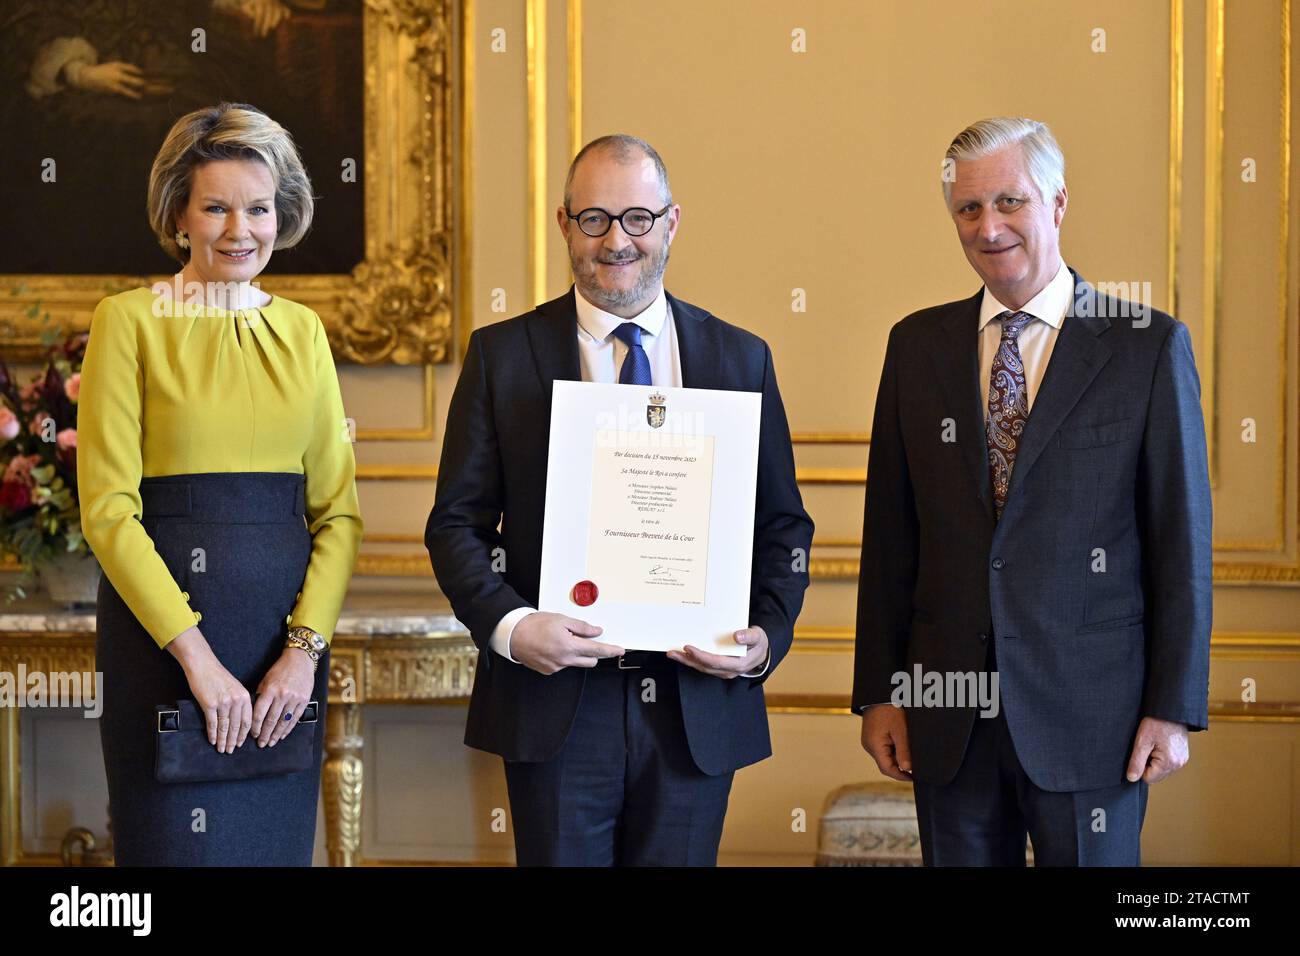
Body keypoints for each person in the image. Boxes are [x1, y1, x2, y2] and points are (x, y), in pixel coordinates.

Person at [426, 134, 813, 866]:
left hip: (696, 701)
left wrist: (766, 635)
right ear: (565, 224)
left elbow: (784, 524)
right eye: (596, 219)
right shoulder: (503, 355)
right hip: (557, 704)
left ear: (672, 223)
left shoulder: (739, 358)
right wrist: (511, 627)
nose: (617, 241)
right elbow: (455, 526)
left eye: (637, 218)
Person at [854, 117, 1212, 866]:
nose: (989, 228)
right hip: (947, 716)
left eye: (1010, 202)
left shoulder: (1147, 345)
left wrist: (1172, 709)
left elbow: (1180, 543)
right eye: (969, 210)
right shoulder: (915, 346)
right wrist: (880, 691)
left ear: (1056, 204)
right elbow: (892, 536)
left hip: (1095, 721)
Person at [78, 101, 363, 866]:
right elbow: (107, 513)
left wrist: (302, 653)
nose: (241, 230)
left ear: (282, 214)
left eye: (260, 208)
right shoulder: (126, 322)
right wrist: (198, 660)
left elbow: (339, 516)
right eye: (217, 207)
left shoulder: (304, 332)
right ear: (178, 215)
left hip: (284, 664)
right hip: (166, 657)